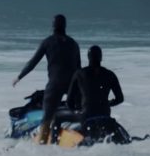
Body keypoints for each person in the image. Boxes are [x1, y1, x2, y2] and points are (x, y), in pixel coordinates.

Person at [13, 14, 81, 144]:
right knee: (78, 112)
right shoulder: (73, 44)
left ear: (53, 26)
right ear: (65, 26)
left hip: (54, 85)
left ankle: (43, 143)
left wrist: (19, 77)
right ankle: (80, 134)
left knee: (47, 117)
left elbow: (32, 63)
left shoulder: (48, 42)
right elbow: (79, 70)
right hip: (72, 86)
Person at [67, 45, 131, 145]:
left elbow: (69, 102)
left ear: (88, 57)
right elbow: (120, 99)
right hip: (105, 116)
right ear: (101, 58)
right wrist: (108, 103)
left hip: (87, 117)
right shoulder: (110, 74)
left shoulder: (79, 74)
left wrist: (78, 110)